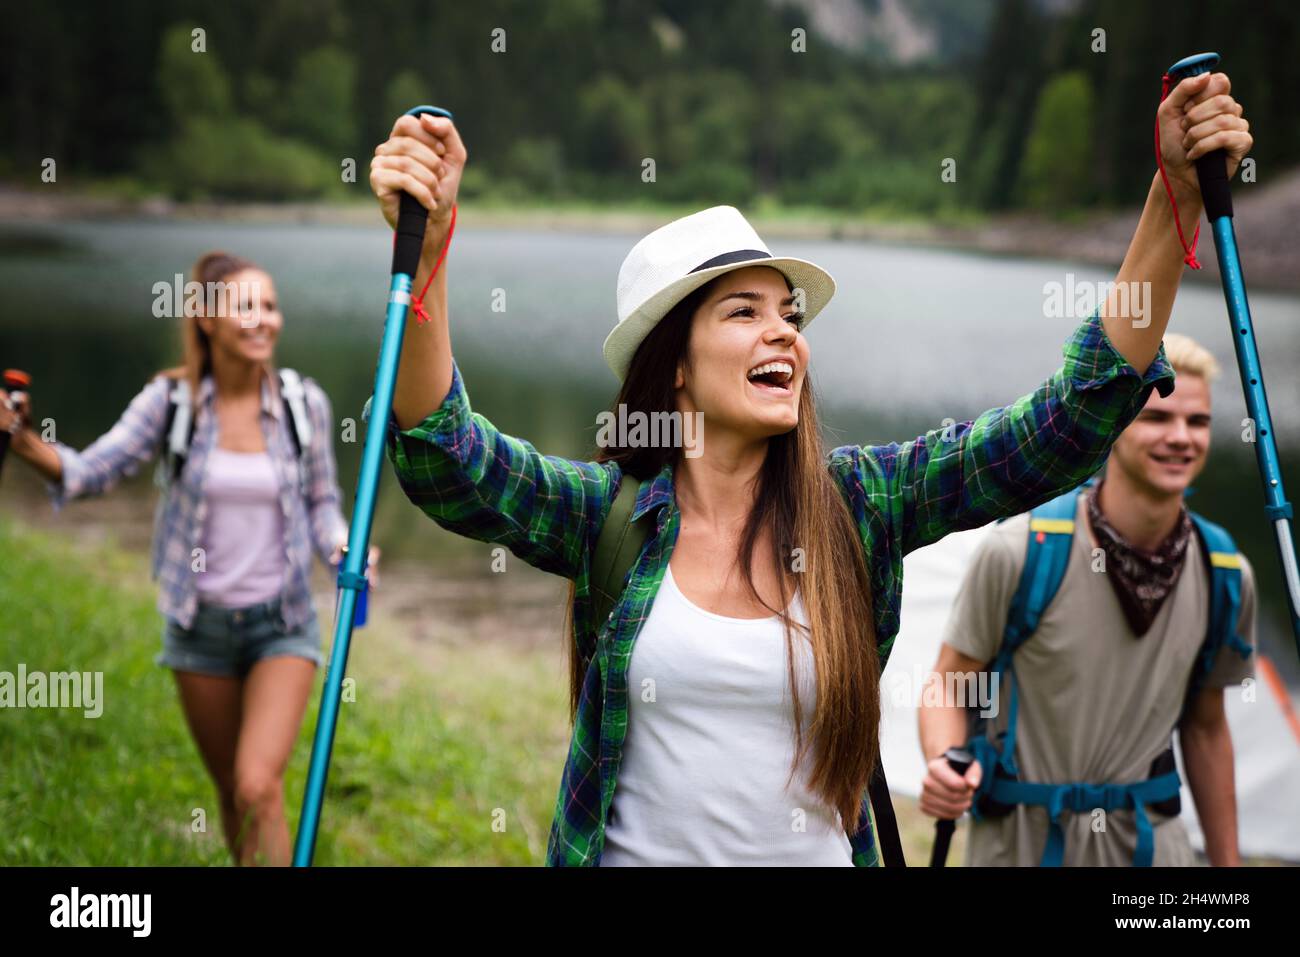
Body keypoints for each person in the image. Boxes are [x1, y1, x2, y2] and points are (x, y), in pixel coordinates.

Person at [362, 69, 1251, 865]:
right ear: (674, 363)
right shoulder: (606, 516)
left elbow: (1063, 426)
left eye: (788, 314)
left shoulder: (863, 503)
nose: (784, 330)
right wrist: (430, 253)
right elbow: (448, 457)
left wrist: (1169, 193)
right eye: (743, 313)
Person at [0, 251, 373, 866]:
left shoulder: (304, 405)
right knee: (230, 790)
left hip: (282, 625)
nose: (265, 320)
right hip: (198, 629)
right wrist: (18, 440)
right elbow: (91, 471)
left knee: (259, 784)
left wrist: (341, 544)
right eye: (247, 306)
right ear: (204, 317)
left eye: (271, 306)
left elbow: (322, 503)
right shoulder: (169, 403)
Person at [918, 333, 1256, 866]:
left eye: (1198, 423)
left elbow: (1206, 728)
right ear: (1115, 427)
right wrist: (943, 762)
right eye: (1156, 419)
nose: (1181, 438)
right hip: (1021, 849)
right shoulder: (1020, 551)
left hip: (1155, 855)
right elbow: (949, 683)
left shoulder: (1223, 571)